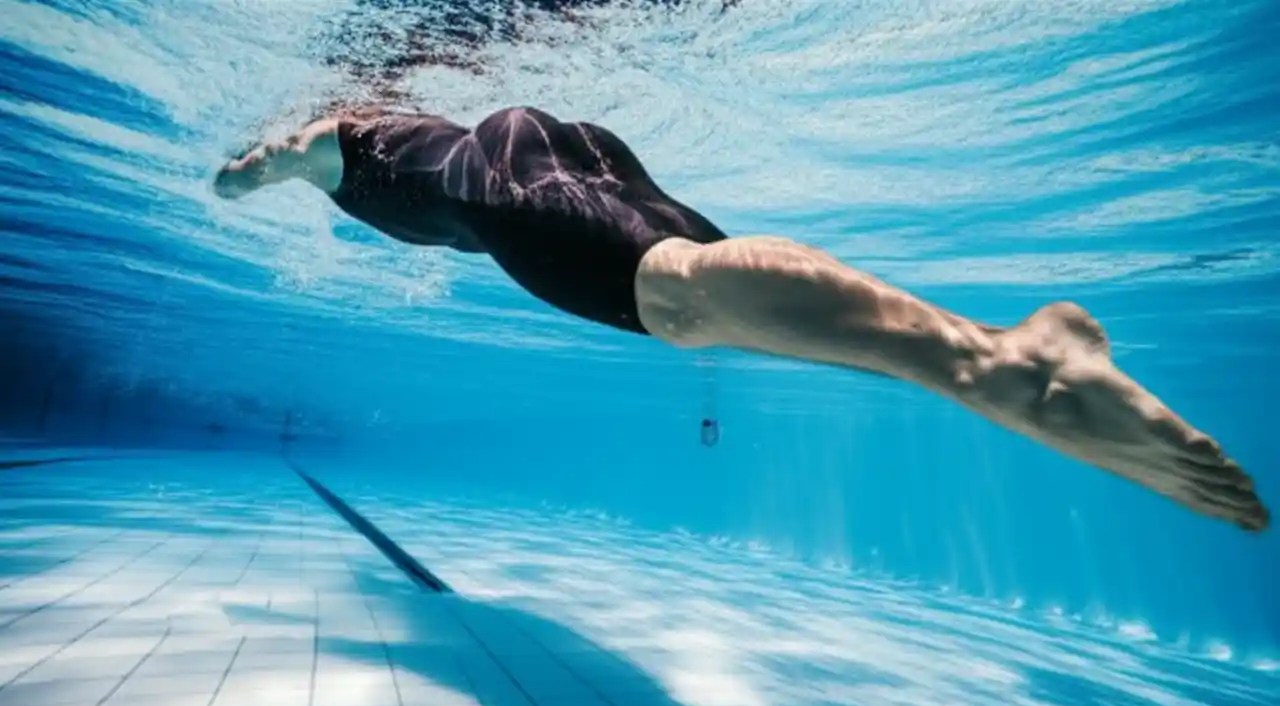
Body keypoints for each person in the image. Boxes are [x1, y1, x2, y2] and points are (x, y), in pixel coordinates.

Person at [213, 105, 1269, 531]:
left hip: (512, 183)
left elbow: (251, 171)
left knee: (681, 299)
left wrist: (242, 178)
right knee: (723, 297)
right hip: (577, 145)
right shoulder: (409, 127)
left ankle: (1004, 361)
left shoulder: (340, 138)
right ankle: (978, 362)